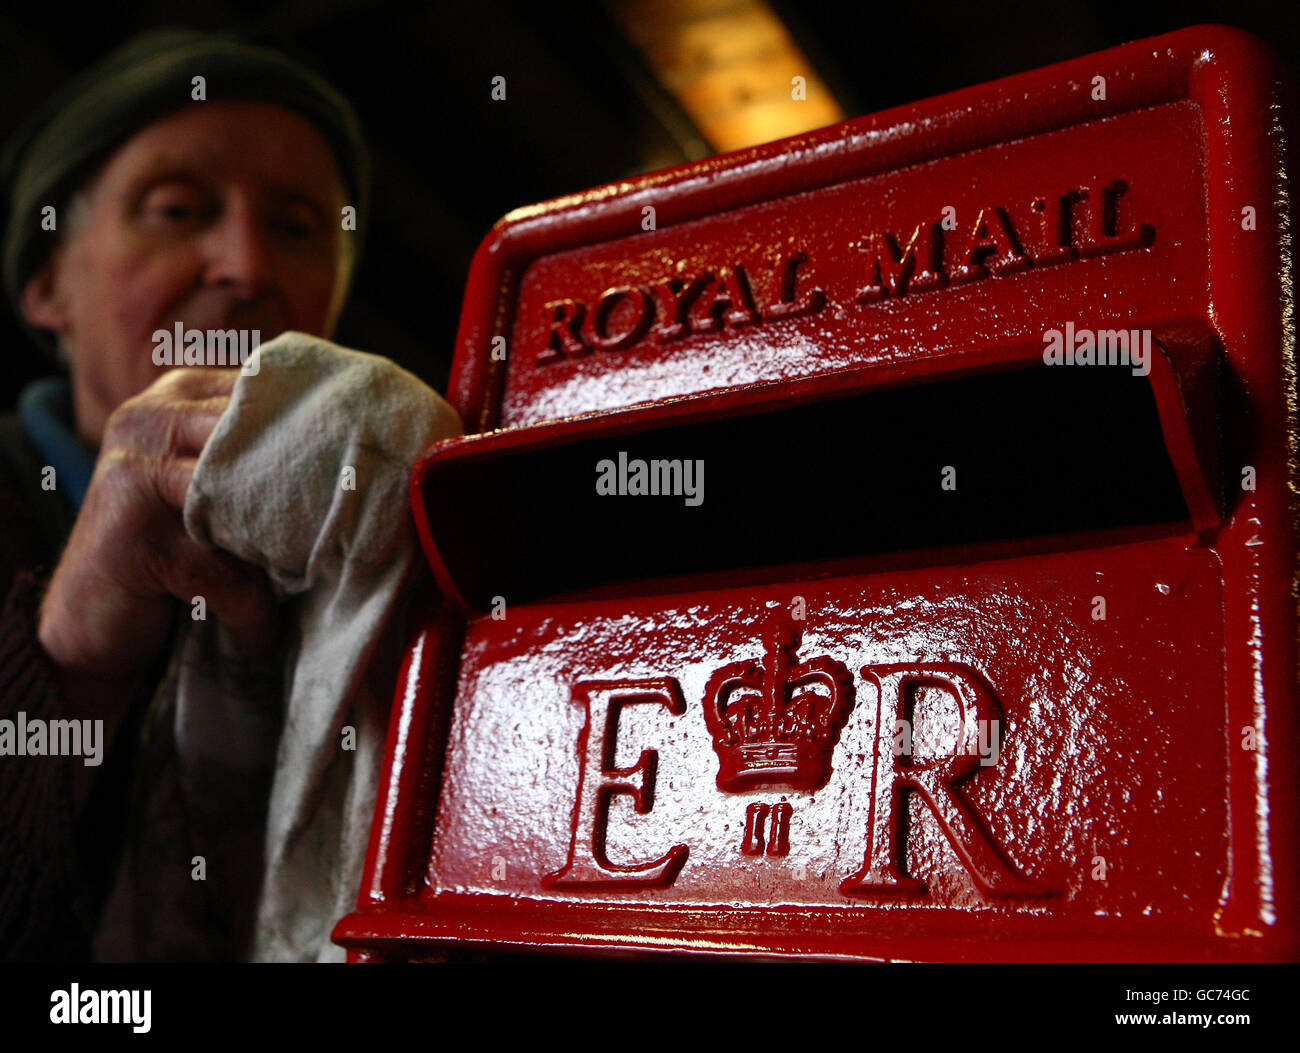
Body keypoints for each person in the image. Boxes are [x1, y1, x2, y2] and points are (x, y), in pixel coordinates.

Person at [0, 28, 373, 960]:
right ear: (48, 282)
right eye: (175, 209)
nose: (246, 268)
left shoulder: (376, 545)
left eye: (296, 228)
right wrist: (76, 654)